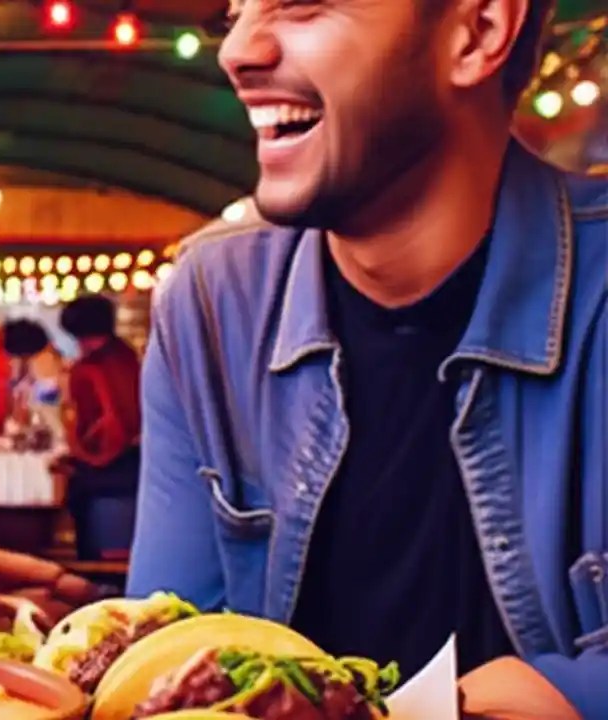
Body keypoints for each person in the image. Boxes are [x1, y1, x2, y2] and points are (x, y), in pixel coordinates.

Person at [127, 0, 604, 717]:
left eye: (301, 4)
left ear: (477, 33)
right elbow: (167, 658)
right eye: (236, 9)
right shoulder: (213, 304)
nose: (238, 51)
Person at [59, 295, 142, 560]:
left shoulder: (88, 370)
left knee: (102, 558)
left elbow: (104, 426)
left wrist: (80, 452)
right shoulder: (128, 359)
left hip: (104, 477)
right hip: (135, 470)